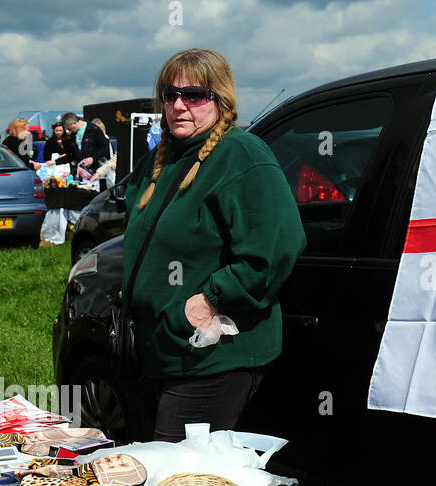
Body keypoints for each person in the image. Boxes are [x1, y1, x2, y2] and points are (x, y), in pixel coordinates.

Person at [123, 48, 305, 442]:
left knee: (179, 481)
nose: (178, 105)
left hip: (212, 355)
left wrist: (207, 301)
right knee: (156, 472)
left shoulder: (241, 155)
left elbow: (274, 249)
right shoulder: (164, 158)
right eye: (170, 95)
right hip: (163, 351)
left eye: (193, 95)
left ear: (220, 100)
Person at [62, 111, 111, 177]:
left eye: (69, 128)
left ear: (74, 123)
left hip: (96, 171)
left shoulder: (94, 130)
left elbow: (105, 148)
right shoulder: (73, 135)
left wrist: (93, 158)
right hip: (80, 172)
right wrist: (55, 162)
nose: (69, 131)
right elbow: (71, 155)